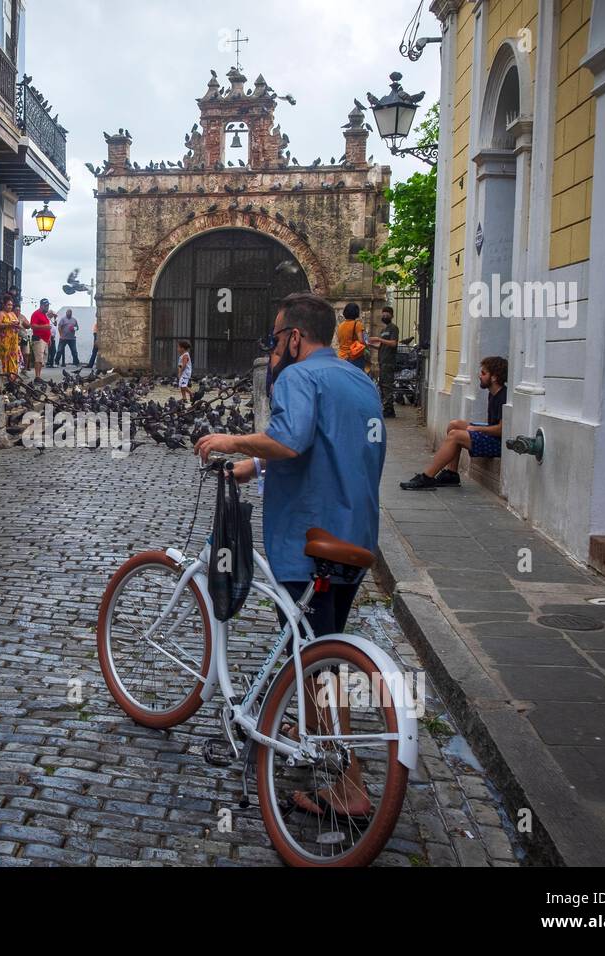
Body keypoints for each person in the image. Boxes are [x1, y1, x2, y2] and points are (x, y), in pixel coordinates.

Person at [195, 292, 385, 819]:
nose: (275, 349)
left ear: (295, 338)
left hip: (308, 540)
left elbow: (293, 438)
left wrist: (233, 441)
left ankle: (349, 786)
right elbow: (329, 447)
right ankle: (314, 729)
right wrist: (255, 469)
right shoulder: (357, 379)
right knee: (321, 645)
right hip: (355, 536)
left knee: (319, 662)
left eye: (276, 339)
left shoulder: (299, 378)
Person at [400, 356, 508, 490]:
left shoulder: (503, 397)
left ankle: (427, 477)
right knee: (454, 425)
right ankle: (452, 473)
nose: (480, 376)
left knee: (455, 436)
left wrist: (479, 429)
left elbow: (502, 429)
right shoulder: (493, 393)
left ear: (494, 378)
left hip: (498, 443)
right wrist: (479, 428)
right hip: (492, 435)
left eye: (483, 373)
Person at [369, 306, 400, 418]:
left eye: (387, 313)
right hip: (382, 361)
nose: (385, 315)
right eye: (383, 313)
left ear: (392, 315)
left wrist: (379, 339)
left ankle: (389, 409)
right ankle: (385, 407)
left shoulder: (393, 328)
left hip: (389, 361)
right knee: (382, 385)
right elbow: (382, 346)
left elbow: (393, 343)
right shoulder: (383, 330)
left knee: (387, 385)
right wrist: (371, 344)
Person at [0, 294, 22, 381]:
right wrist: (9, 324)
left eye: (11, 305)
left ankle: (12, 375)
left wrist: (17, 325)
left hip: (13, 339)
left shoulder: (13, 314)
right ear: (4, 305)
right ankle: (3, 375)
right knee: (4, 356)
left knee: (13, 356)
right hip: (4, 339)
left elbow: (18, 323)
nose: (10, 307)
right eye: (8, 305)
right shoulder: (1, 313)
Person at [336, 302, 369, 373]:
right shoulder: (357, 325)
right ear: (356, 313)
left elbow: (339, 340)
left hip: (341, 357)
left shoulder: (340, 326)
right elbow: (361, 341)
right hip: (354, 357)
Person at [29, 300, 53, 382]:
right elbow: (32, 326)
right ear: (41, 305)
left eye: (48, 306)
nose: (47, 307)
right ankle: (37, 377)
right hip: (39, 339)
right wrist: (44, 327)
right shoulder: (36, 314)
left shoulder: (44, 315)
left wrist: (49, 339)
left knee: (42, 360)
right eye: (46, 305)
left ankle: (38, 376)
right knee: (38, 359)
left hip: (45, 340)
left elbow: (47, 328)